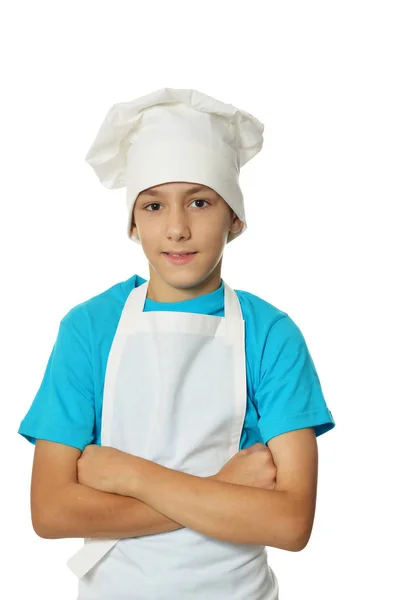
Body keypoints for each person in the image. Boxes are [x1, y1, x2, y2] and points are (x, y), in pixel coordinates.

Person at [18, 87, 335, 600]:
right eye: (154, 205)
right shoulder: (89, 329)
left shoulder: (272, 334)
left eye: (200, 201)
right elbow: (51, 512)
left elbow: (291, 523)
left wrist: (130, 475)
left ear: (234, 218)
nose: (177, 228)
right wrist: (225, 489)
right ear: (133, 223)